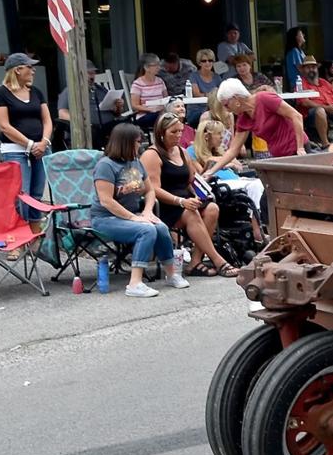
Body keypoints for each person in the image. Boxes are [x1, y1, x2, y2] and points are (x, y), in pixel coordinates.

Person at [90, 123, 190, 297]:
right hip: (105, 218)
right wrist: (134, 218)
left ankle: (171, 273)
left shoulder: (135, 162)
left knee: (160, 227)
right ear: (125, 142)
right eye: (137, 142)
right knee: (146, 230)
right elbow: (106, 201)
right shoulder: (106, 165)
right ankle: (134, 283)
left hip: (131, 216)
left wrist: (148, 212)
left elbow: (150, 190)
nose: (140, 145)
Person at [141, 113, 234, 278]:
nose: (178, 136)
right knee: (191, 213)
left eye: (180, 131)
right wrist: (181, 201)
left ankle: (195, 262)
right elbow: (153, 189)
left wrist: (199, 194)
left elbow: (191, 180)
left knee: (212, 208)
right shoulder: (152, 155)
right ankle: (218, 261)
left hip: (186, 199)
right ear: (161, 133)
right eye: (173, 132)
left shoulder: (182, 152)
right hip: (164, 204)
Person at [0, 53, 52, 225]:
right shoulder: (1, 93)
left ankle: (34, 232)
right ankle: (19, 234)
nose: (33, 71)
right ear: (18, 70)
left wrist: (44, 142)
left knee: (37, 193)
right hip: (15, 150)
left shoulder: (36, 92)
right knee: (20, 193)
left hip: (41, 148)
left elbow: (47, 120)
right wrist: (30, 144)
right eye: (29, 67)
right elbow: (4, 125)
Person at [218, 78, 307, 161]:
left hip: (297, 150)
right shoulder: (243, 119)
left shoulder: (263, 98)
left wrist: (300, 148)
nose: (227, 109)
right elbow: (233, 150)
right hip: (278, 155)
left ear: (235, 99)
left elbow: (296, 116)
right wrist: (210, 172)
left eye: (226, 105)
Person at [58, 60, 123, 150]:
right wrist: (81, 122)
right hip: (89, 129)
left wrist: (118, 107)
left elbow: (117, 114)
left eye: (93, 73)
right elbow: (62, 113)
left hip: (108, 126)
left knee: (126, 126)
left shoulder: (101, 89)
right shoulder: (71, 90)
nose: (92, 76)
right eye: (89, 73)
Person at [295, 56, 333, 148]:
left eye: (313, 67)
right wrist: (327, 108)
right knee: (320, 111)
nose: (311, 69)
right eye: (308, 68)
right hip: (312, 116)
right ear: (303, 70)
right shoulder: (301, 84)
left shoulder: (324, 82)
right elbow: (304, 102)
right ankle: (325, 143)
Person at [130, 53, 167, 132]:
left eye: (159, 64)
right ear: (146, 68)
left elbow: (166, 99)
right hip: (145, 115)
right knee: (161, 118)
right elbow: (134, 105)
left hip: (161, 113)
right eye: (155, 65)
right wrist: (150, 110)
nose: (159, 67)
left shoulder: (160, 81)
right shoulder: (138, 84)